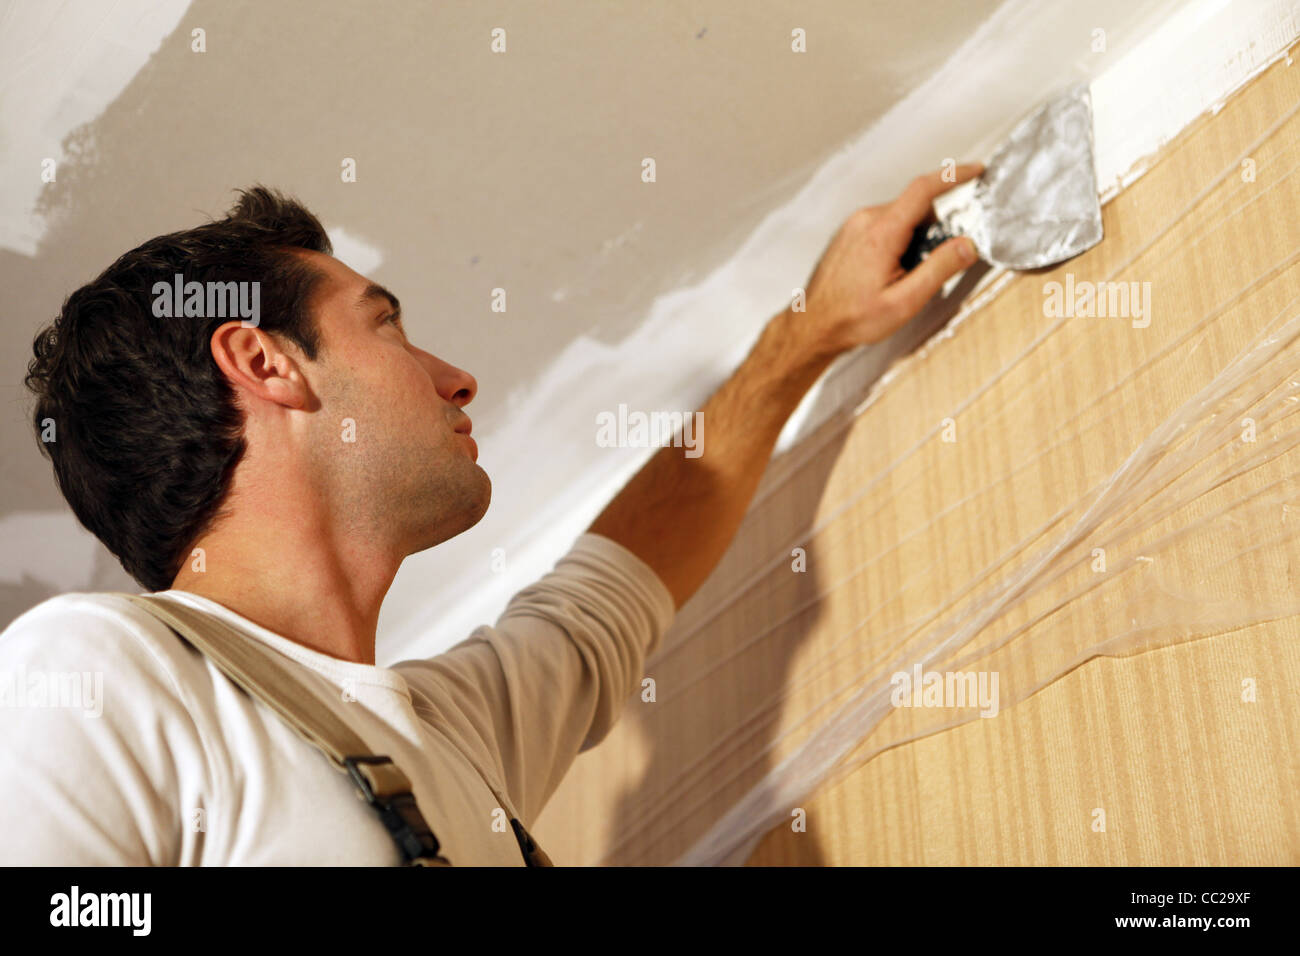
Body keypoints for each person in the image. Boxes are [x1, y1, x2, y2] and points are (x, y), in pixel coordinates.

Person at [1, 167, 981, 864]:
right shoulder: (93, 669)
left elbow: (606, 593)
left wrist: (808, 335)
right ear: (265, 363)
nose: (455, 377)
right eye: (385, 322)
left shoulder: (445, 736)